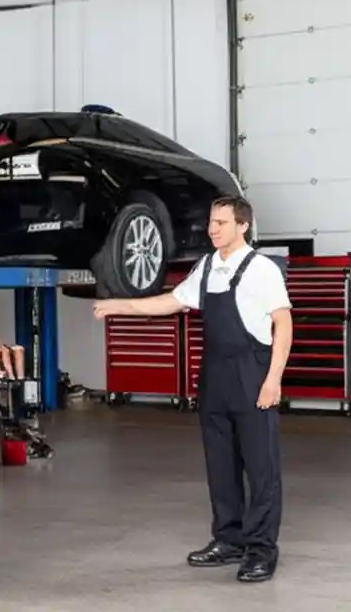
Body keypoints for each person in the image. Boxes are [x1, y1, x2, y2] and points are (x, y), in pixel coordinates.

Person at [92, 195, 292, 583]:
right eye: (211, 222)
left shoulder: (262, 269)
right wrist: (118, 304)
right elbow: (172, 302)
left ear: (242, 226)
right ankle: (228, 539)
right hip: (215, 375)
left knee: (261, 467)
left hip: (252, 374)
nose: (212, 228)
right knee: (220, 464)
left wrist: (273, 379)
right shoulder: (207, 267)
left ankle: (261, 550)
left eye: (221, 222)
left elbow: (282, 324)